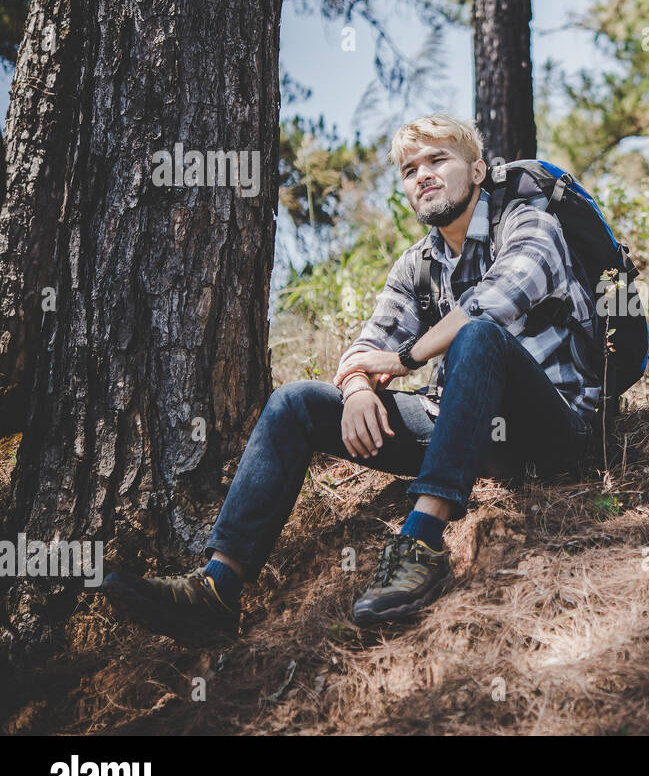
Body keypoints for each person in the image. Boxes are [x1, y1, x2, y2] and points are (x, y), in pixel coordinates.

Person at [103, 113, 602, 644]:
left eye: (438, 160)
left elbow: (493, 304)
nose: (423, 175)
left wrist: (404, 362)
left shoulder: (528, 222)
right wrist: (359, 388)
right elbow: (364, 349)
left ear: (478, 170)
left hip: (552, 428)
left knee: (476, 336)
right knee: (297, 402)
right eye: (411, 169)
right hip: (464, 429)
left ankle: (423, 546)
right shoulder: (418, 266)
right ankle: (218, 588)